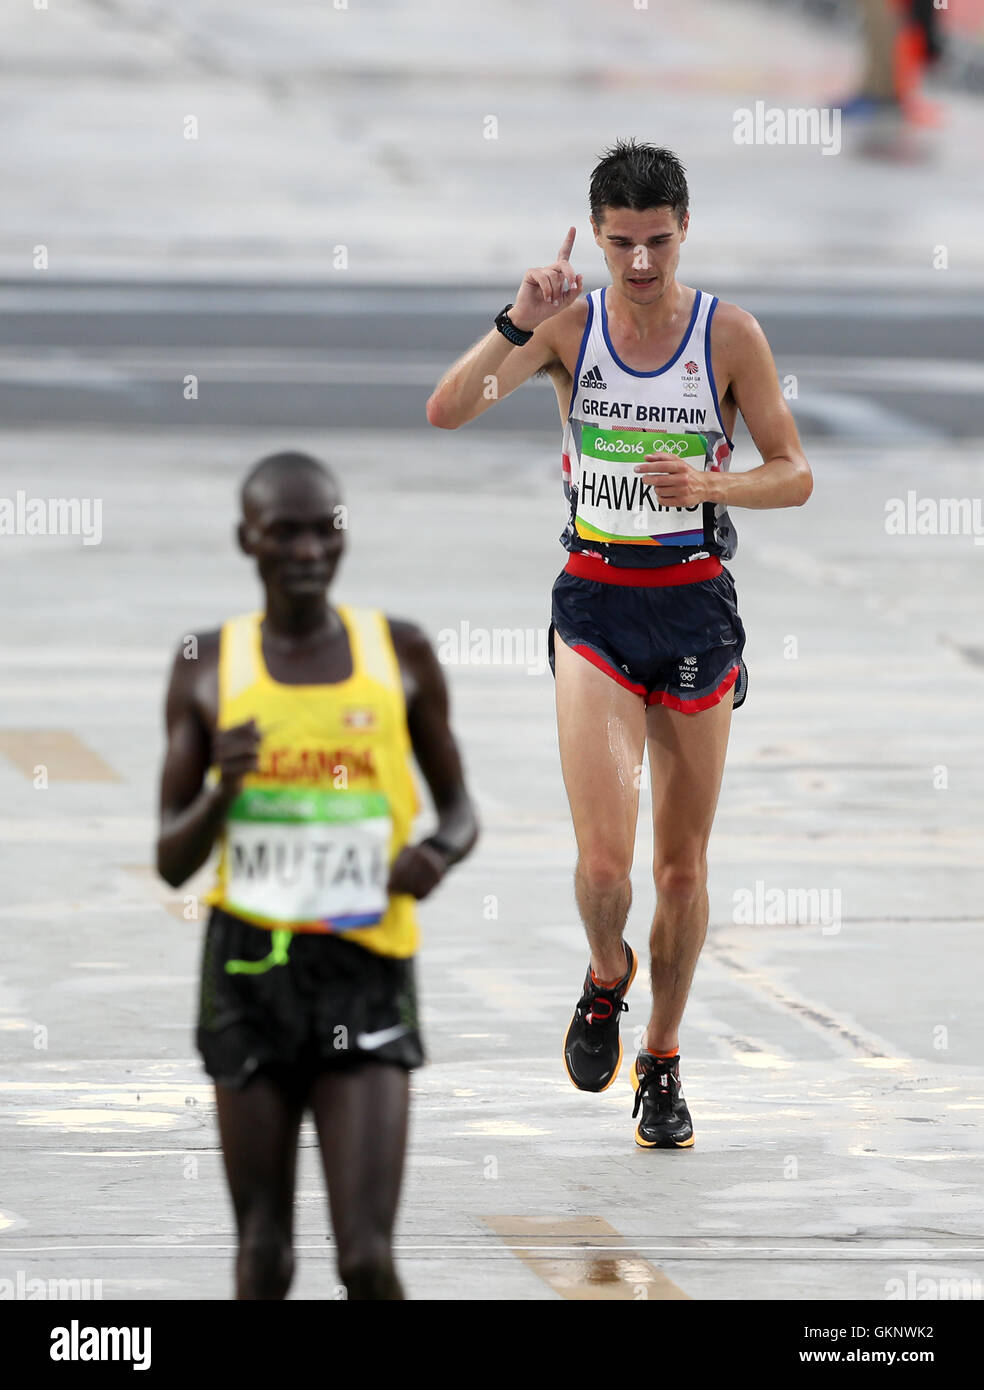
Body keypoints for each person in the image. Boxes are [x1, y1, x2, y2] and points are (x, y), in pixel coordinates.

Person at [426, 141, 812, 1149]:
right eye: (621, 243)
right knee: (607, 867)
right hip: (594, 602)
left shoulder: (729, 335)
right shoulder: (566, 322)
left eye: (657, 241)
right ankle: (607, 976)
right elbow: (448, 410)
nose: (640, 263)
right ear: (596, 237)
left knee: (681, 874)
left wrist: (713, 486)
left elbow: (795, 472)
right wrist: (515, 316)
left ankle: (665, 1056)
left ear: (685, 227)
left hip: (692, 610)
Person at [156, 451, 478, 1297]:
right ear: (247, 540)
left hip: (364, 971)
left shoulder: (400, 653)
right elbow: (170, 859)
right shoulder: (206, 666)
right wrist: (223, 792)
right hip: (248, 972)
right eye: (285, 533)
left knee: (366, 1258)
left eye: (324, 530)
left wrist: (436, 855)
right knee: (264, 1254)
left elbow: (460, 809)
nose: (307, 551)